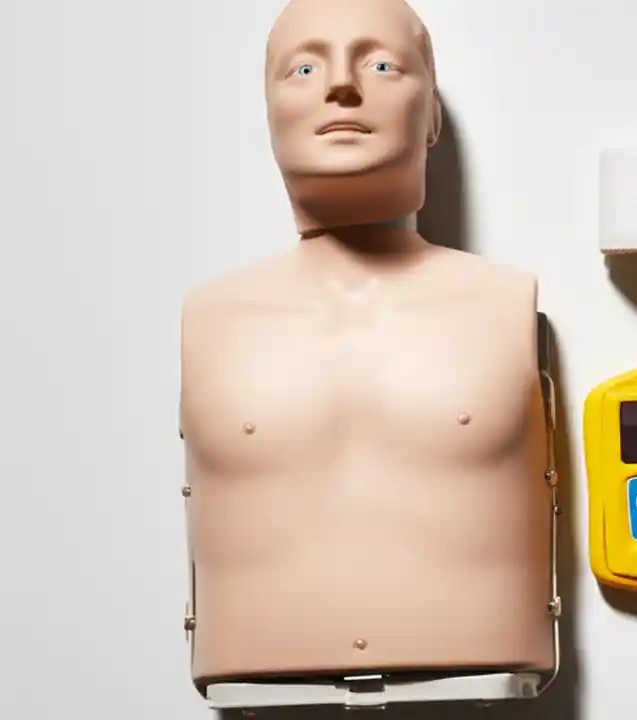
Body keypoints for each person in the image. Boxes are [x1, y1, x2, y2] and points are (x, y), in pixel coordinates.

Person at [179, 0, 555, 692]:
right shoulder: (210, 316)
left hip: (485, 678)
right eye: (303, 67)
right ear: (268, 111)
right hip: (252, 682)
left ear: (433, 115)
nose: (341, 86)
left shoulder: (504, 301)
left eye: (382, 64)